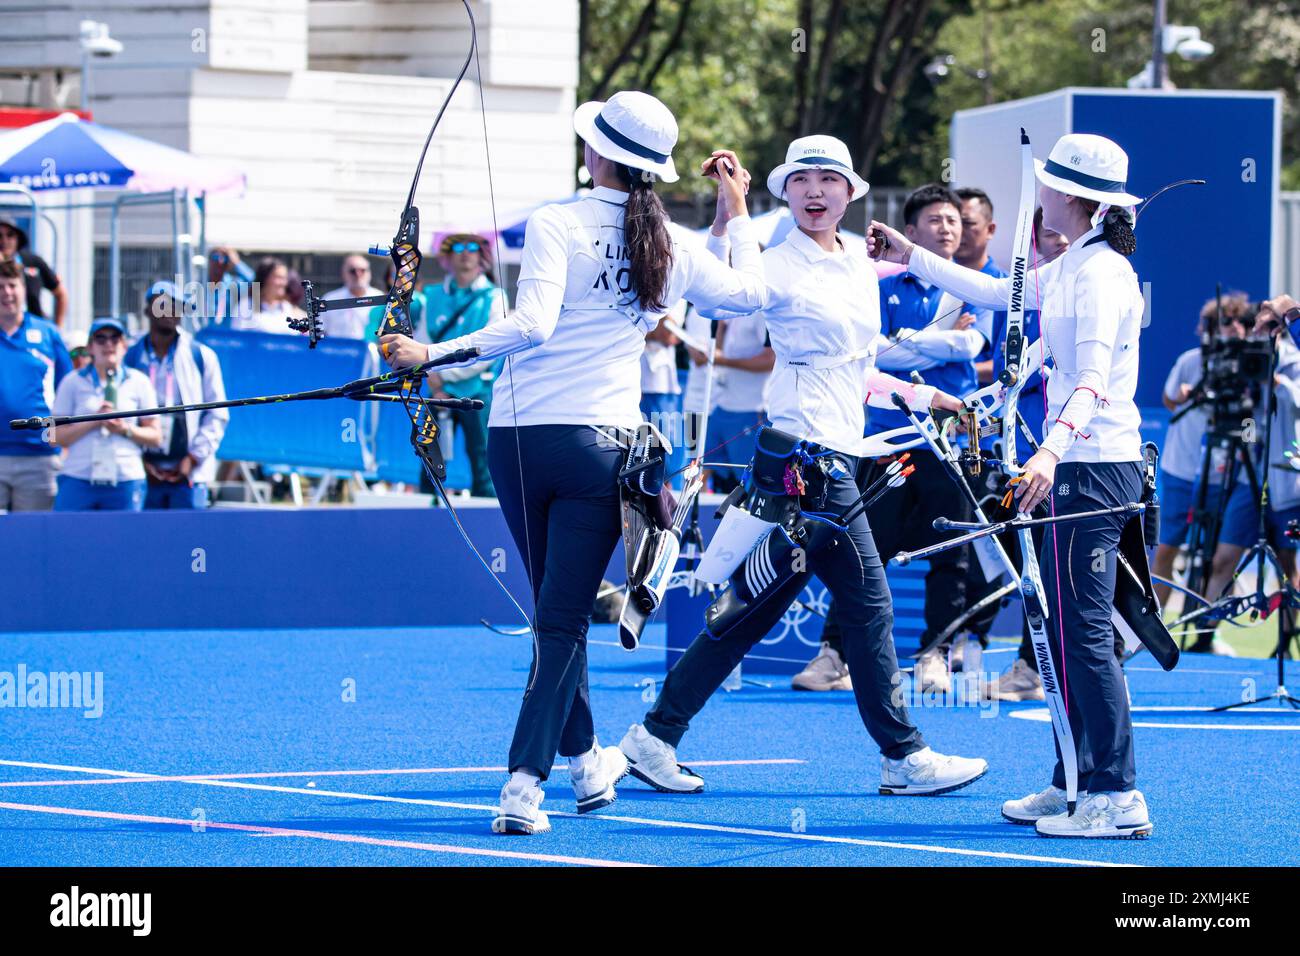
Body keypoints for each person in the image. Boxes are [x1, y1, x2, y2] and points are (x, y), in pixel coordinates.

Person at [377, 90, 771, 835]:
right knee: (560, 620)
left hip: (521, 442)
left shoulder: (562, 220)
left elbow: (533, 326)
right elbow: (750, 291)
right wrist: (738, 209)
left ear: (596, 152)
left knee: (555, 615)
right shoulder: (674, 243)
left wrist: (431, 354)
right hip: (598, 448)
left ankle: (542, 780)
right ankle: (571, 768)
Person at [619, 135, 988, 799]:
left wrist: (925, 395)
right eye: (801, 180)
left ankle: (654, 735)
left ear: (851, 192)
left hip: (833, 452)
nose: (815, 191)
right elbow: (731, 297)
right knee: (869, 603)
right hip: (807, 462)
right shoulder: (776, 262)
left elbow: (861, 360)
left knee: (753, 610)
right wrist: (732, 208)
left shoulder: (857, 263)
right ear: (784, 192)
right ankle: (903, 755)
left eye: (829, 180)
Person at [870, 131, 1156, 838]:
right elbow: (1001, 292)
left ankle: (1117, 795)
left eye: (1048, 187)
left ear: (1070, 197)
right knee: (1062, 631)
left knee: (1084, 635)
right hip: (1074, 466)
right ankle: (1073, 780)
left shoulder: (1099, 275)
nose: (1040, 199)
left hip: (1090, 468)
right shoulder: (1075, 264)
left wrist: (1051, 452)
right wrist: (913, 258)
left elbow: (1090, 380)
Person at [849, 184, 995, 694]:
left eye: (954, 220)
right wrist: (941, 346)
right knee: (868, 547)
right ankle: (840, 654)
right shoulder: (878, 280)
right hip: (887, 437)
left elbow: (972, 344)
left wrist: (906, 344)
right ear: (909, 232)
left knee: (951, 552)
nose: (947, 228)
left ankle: (935, 652)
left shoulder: (977, 283)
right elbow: (875, 355)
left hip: (949, 440)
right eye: (934, 220)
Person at [1191, 294, 1300, 655]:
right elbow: (1248, 424)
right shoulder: (1244, 361)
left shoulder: (1293, 362)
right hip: (1248, 476)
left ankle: (1284, 643)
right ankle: (1204, 634)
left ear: (1283, 327)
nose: (1261, 329)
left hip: (1287, 480)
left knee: (1287, 563)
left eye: (1270, 322)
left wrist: (1279, 386)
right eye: (1259, 322)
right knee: (1224, 557)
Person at [416, 233, 507, 498]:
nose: (465, 253)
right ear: (447, 257)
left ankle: (487, 516)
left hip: (476, 391)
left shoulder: (495, 296)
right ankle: (426, 515)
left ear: (482, 256)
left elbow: (491, 348)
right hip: (437, 390)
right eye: (457, 247)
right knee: (429, 457)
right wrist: (434, 378)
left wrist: (444, 377)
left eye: (472, 248)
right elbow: (423, 339)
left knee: (484, 461)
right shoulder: (432, 294)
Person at [124, 282, 230, 509]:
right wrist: (138, 461)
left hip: (188, 471)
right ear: (147, 310)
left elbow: (217, 414)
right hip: (142, 470)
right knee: (144, 539)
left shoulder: (201, 355)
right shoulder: (130, 357)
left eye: (177, 307)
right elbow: (121, 416)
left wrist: (193, 459)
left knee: (189, 539)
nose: (169, 312)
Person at [50, 318, 162, 511]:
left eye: (115, 338)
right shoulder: (72, 382)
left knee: (124, 539)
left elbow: (156, 436)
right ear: (90, 347)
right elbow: (52, 436)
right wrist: (93, 421)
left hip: (125, 477)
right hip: (78, 476)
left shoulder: (139, 382)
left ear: (124, 346)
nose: (108, 345)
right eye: (101, 339)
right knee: (68, 537)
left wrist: (124, 429)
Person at [0, 259, 72, 511]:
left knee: (32, 542)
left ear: (24, 289)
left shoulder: (47, 333)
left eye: (12, 285)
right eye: (0, 286)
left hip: (39, 458)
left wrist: (63, 443)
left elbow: (68, 388)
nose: (6, 293)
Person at [0, 215, 67, 326]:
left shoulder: (33, 262)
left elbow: (61, 294)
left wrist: (57, 327)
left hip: (33, 331)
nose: (4, 241)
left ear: (18, 239)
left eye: (10, 235)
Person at [231, 258, 305, 334]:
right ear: (265, 278)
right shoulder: (246, 307)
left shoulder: (287, 308)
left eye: (284, 278)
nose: (283, 283)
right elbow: (238, 340)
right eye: (279, 277)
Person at [322, 255, 384, 339]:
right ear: (343, 273)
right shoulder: (330, 299)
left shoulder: (380, 299)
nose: (358, 274)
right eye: (353, 271)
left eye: (362, 270)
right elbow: (321, 331)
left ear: (369, 273)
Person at [205, 246, 255, 325]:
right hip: (202, 335)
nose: (219, 262)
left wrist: (237, 263)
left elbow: (256, 284)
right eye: (215, 257)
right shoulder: (200, 284)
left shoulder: (234, 284)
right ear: (209, 261)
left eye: (224, 259)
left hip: (227, 335)